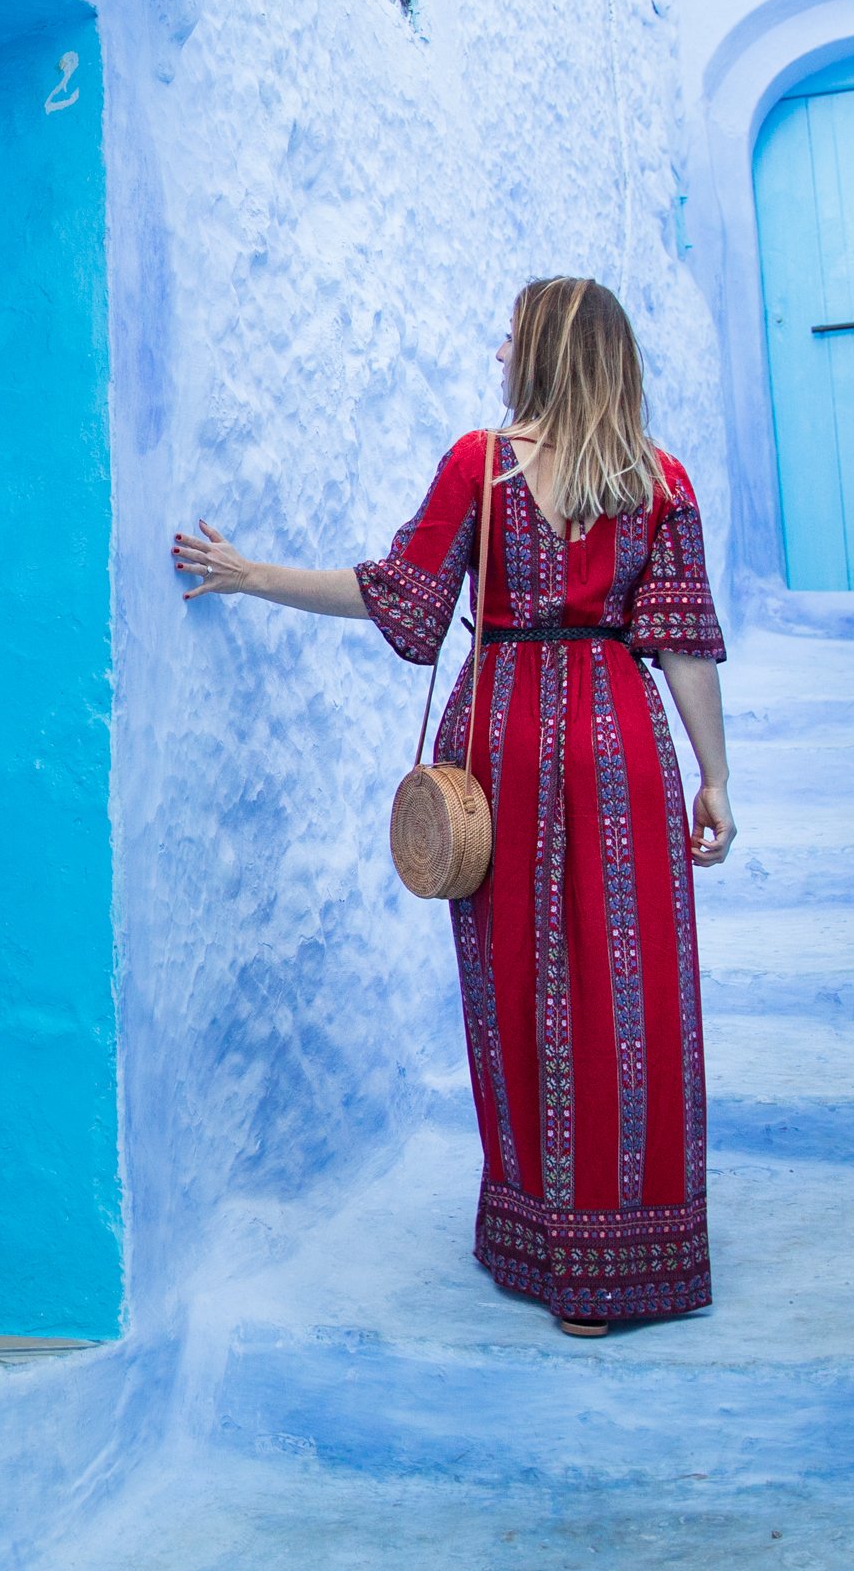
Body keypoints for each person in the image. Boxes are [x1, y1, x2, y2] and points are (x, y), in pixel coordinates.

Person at [173, 278, 733, 1336]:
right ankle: (626, 1255)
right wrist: (716, 776)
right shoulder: (660, 481)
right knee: (633, 989)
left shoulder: (481, 465)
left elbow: (401, 595)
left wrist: (252, 574)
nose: (498, 348)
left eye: (512, 335)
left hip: (508, 737)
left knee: (516, 980)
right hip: (623, 741)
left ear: (549, 350)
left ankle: (544, 1241)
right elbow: (681, 645)